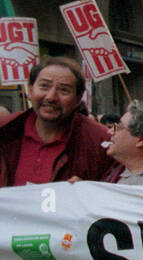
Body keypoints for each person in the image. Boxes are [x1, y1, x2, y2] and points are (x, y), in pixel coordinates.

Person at [1, 57, 113, 187]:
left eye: (63, 90)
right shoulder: (6, 130)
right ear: (30, 90)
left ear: (78, 99)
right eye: (44, 86)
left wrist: (90, 193)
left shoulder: (100, 143)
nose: (51, 97)